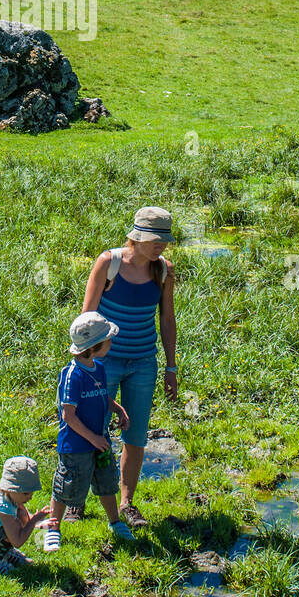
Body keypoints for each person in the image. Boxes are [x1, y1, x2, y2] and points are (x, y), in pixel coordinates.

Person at [81, 206, 177, 530]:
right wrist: (85, 365)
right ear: (136, 238)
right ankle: (76, 501)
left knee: (135, 436)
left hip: (143, 364)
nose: (161, 246)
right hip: (104, 363)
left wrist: (171, 367)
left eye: (164, 240)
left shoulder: (163, 271)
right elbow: (87, 317)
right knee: (92, 430)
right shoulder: (109, 264)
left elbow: (166, 319)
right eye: (155, 240)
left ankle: (127, 504)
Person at [42, 310, 136, 552]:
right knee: (66, 486)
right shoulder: (73, 375)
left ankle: (115, 522)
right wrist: (92, 438)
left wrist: (117, 409)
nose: (111, 343)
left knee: (107, 482)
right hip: (77, 445)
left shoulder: (99, 368)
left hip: (99, 440)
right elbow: (68, 416)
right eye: (107, 339)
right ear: (93, 346)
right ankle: (53, 528)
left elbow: (102, 396)